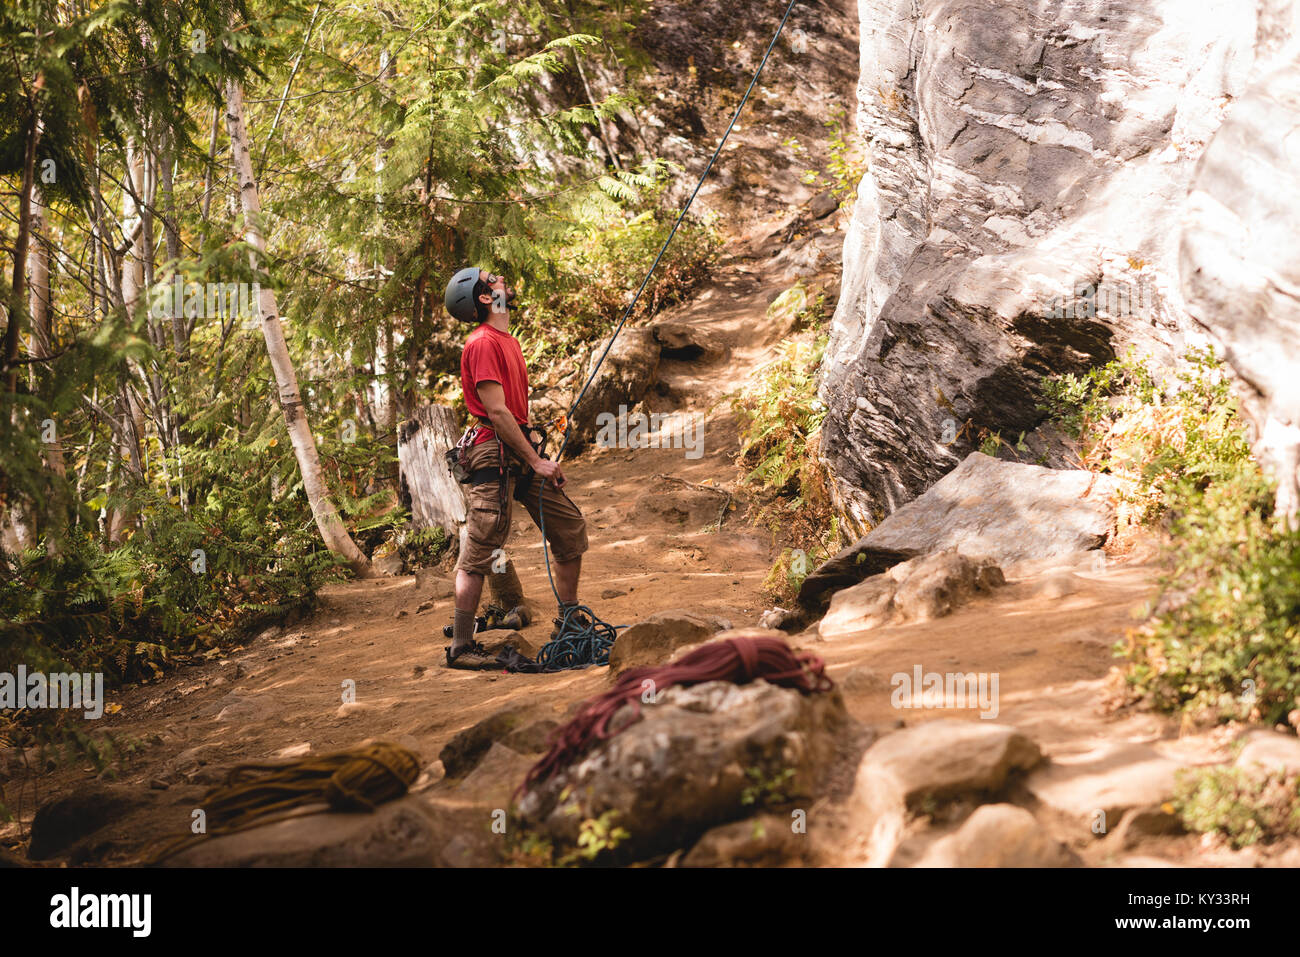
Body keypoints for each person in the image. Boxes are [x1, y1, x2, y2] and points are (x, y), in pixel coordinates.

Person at [441, 266, 592, 670]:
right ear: (486, 299)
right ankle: (460, 647)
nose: (501, 280)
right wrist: (535, 460)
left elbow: (512, 414)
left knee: (569, 527)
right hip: (494, 452)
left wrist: (535, 457)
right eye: (491, 280)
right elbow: (495, 410)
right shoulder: (483, 343)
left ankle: (569, 621)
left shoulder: (507, 340)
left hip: (517, 448)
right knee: (480, 547)